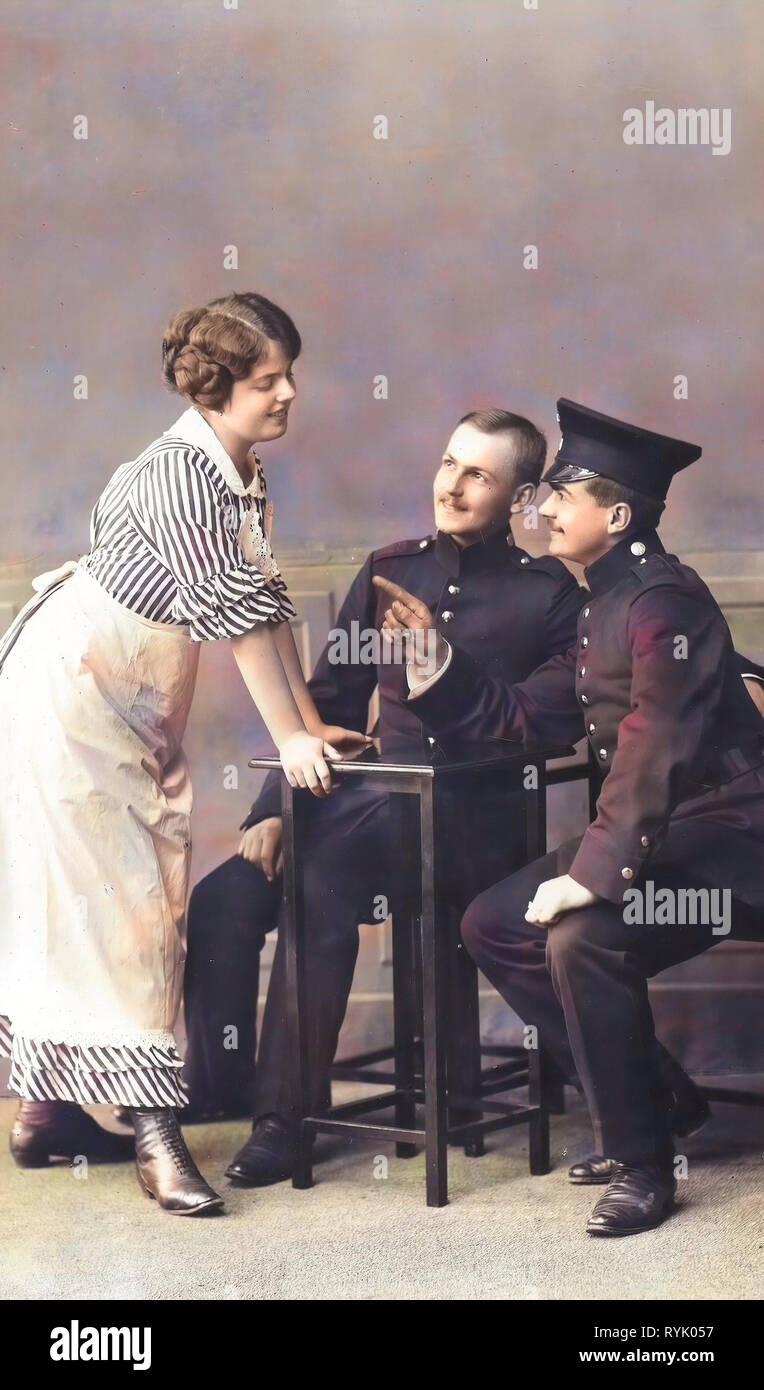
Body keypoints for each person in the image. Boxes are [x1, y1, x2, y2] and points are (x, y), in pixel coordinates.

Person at [180, 407, 706, 1187]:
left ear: (524, 497)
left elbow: (542, 723)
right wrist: (270, 810)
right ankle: (250, 1103)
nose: (451, 487)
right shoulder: (389, 568)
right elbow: (325, 700)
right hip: (370, 815)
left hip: (478, 829)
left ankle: (287, 1121)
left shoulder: (555, 596)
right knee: (239, 889)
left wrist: (444, 666)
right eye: (448, 464)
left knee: (319, 881)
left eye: (478, 476)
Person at [0, 292, 367, 1217]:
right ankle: (155, 1139)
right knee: (123, 904)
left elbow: (263, 605)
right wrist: (287, 742)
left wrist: (310, 722)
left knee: (124, 897)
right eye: (266, 379)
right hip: (73, 695)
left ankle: (45, 1115)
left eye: (290, 375)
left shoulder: (238, 471)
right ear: (214, 387)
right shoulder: (177, 475)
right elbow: (239, 623)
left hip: (130, 692)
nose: (287, 394)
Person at [375, 397, 764, 1236]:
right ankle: (658, 1100)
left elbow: (654, 745)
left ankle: (645, 1163)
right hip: (672, 830)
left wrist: (591, 877)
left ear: (617, 515)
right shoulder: (599, 601)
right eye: (546, 489)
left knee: (582, 935)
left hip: (740, 837)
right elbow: (530, 718)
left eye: (566, 492)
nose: (544, 508)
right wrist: (439, 675)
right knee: (493, 923)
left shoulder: (665, 603)